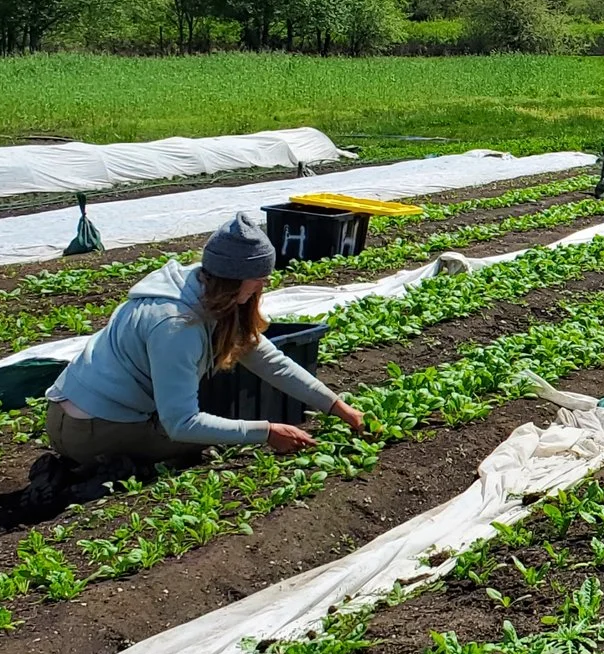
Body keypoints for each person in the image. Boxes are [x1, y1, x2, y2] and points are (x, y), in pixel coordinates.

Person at [29, 213, 365, 504]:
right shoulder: (177, 326)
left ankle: (83, 465)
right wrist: (266, 432)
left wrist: (337, 406)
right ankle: (88, 477)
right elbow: (182, 423)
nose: (265, 282)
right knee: (193, 449)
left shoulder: (200, 288)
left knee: (210, 432)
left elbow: (269, 360)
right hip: (90, 429)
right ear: (235, 277)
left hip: (74, 415)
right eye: (259, 276)